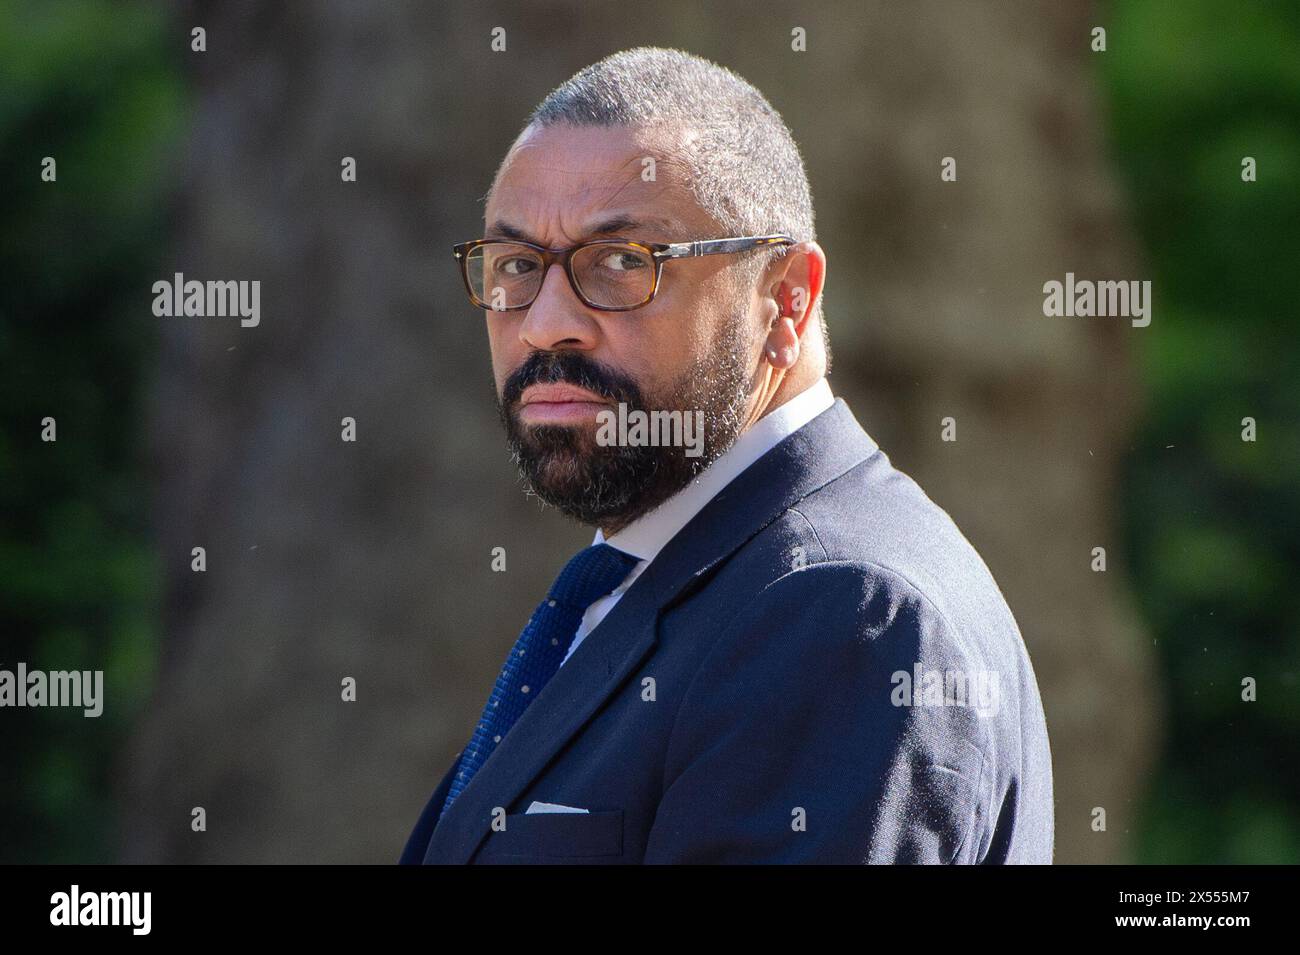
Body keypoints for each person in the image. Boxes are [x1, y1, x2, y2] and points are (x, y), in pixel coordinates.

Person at [400, 46, 1053, 864]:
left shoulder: (843, 612)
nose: (542, 322)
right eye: (517, 266)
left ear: (786, 302)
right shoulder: (661, 579)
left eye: (620, 263)